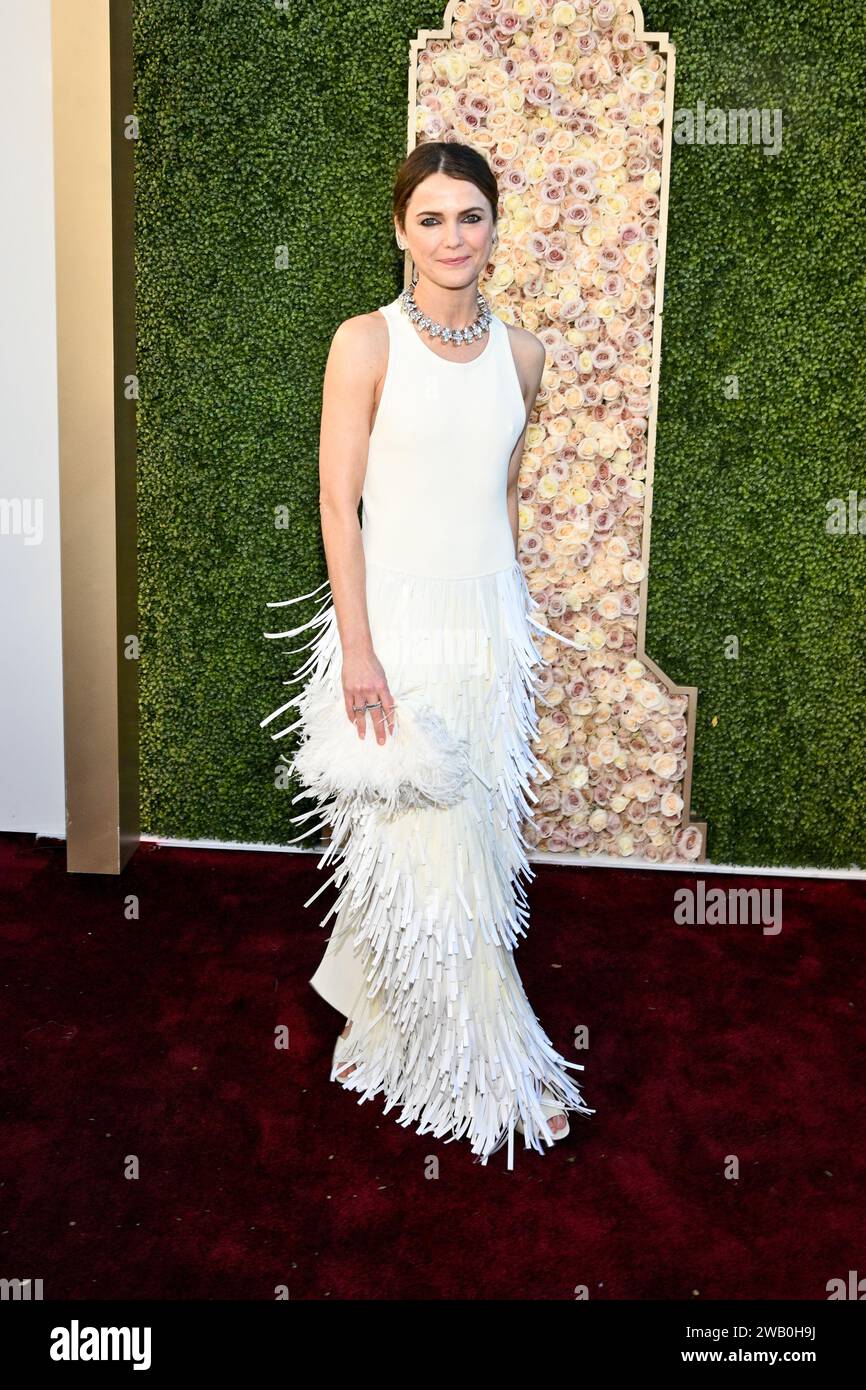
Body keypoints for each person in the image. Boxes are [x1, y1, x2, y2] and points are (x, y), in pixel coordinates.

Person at [260, 141, 594, 1170]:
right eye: (432, 218)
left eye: (471, 216)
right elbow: (336, 501)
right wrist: (359, 650)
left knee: (465, 848)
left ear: (495, 228)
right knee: (432, 853)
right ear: (401, 230)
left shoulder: (524, 354)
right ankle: (486, 1063)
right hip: (395, 632)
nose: (453, 236)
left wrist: (513, 609)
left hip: (488, 628)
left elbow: (497, 491)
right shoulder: (364, 343)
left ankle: (374, 1006)